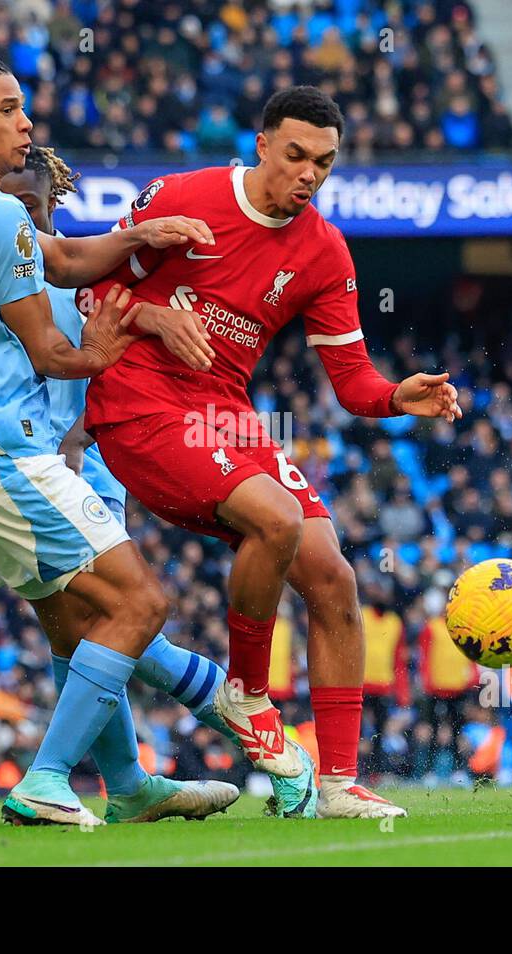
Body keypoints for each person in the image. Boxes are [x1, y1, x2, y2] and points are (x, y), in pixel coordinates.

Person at [0, 141, 315, 822]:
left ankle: (253, 758)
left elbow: (129, 332)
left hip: (65, 477)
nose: (17, 221)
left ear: (51, 209)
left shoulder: (86, 276)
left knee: (112, 636)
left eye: (30, 208)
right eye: (5, 204)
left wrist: (153, 318)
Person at [82, 86, 462, 817]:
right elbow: (83, 288)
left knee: (333, 577)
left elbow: (351, 382)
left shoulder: (323, 250)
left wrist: (394, 397)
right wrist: (158, 317)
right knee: (279, 520)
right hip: (139, 402)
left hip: (225, 412)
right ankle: (247, 694)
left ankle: (340, 783)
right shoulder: (182, 197)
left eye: (324, 162)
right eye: (295, 155)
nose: (309, 174)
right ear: (261, 146)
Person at [0, 50, 228, 827]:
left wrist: (139, 234)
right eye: (7, 110)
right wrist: (97, 353)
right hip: (10, 451)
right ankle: (48, 781)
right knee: (141, 602)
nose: (25, 122)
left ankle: (125, 785)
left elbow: (62, 257)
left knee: (79, 624)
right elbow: (53, 354)